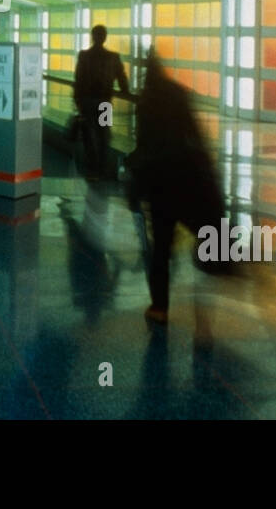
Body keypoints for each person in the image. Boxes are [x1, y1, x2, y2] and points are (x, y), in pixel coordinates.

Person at [129, 50, 222, 325]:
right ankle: (203, 319)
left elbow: (143, 145)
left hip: (160, 184)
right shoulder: (180, 93)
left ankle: (160, 307)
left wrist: (136, 183)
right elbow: (196, 136)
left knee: (160, 248)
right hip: (188, 180)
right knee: (206, 235)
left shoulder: (145, 102)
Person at [72, 25, 131, 180]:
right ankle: (103, 169)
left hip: (87, 103)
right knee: (103, 134)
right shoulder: (113, 57)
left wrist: (77, 101)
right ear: (105, 37)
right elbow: (122, 77)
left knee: (89, 136)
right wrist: (126, 92)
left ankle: (92, 170)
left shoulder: (84, 56)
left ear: (93, 37)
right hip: (105, 103)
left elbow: (78, 79)